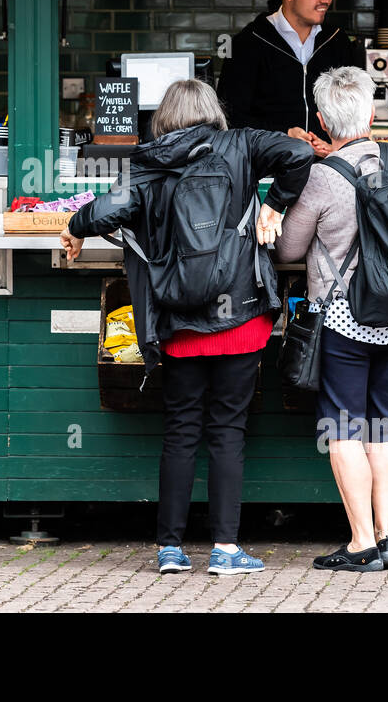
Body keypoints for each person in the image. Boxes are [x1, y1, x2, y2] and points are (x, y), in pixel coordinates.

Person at [60, 79, 313, 576]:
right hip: (239, 317)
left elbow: (108, 211)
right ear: (213, 111)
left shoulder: (149, 162)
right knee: (227, 433)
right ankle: (224, 550)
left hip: (176, 322)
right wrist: (275, 204)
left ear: (164, 118)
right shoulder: (241, 144)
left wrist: (74, 225)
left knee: (179, 433)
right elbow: (299, 153)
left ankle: (170, 550)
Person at [272, 66, 388, 573]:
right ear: (371, 111)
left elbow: (290, 248)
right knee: (384, 423)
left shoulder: (322, 176)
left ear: (321, 118)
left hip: (345, 318)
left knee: (343, 426)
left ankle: (361, 542)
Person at [217, 0, 365, 156]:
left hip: (329, 168)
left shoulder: (337, 41)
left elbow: (355, 110)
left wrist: (338, 147)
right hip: (268, 172)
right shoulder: (247, 43)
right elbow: (229, 117)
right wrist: (283, 134)